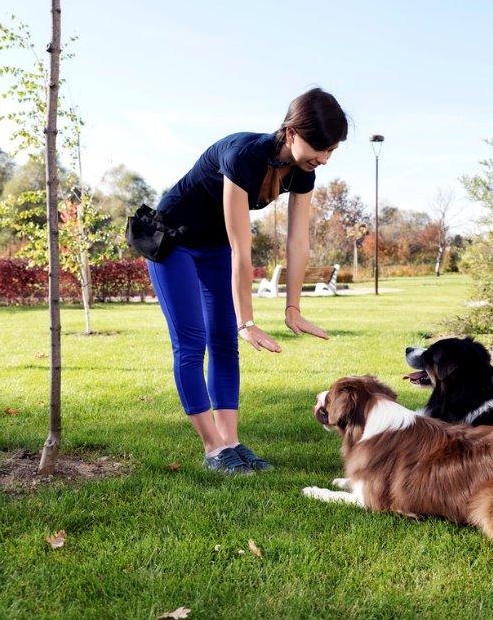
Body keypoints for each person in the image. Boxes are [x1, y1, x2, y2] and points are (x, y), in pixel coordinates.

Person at [148, 88, 347, 474]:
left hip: (213, 246)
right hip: (172, 241)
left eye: (331, 150)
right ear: (291, 133)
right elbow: (243, 248)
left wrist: (293, 308)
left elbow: (298, 241)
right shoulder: (244, 155)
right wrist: (248, 322)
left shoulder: (303, 172)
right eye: (319, 147)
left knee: (224, 344)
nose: (324, 158)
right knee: (192, 342)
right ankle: (212, 448)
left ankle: (232, 443)